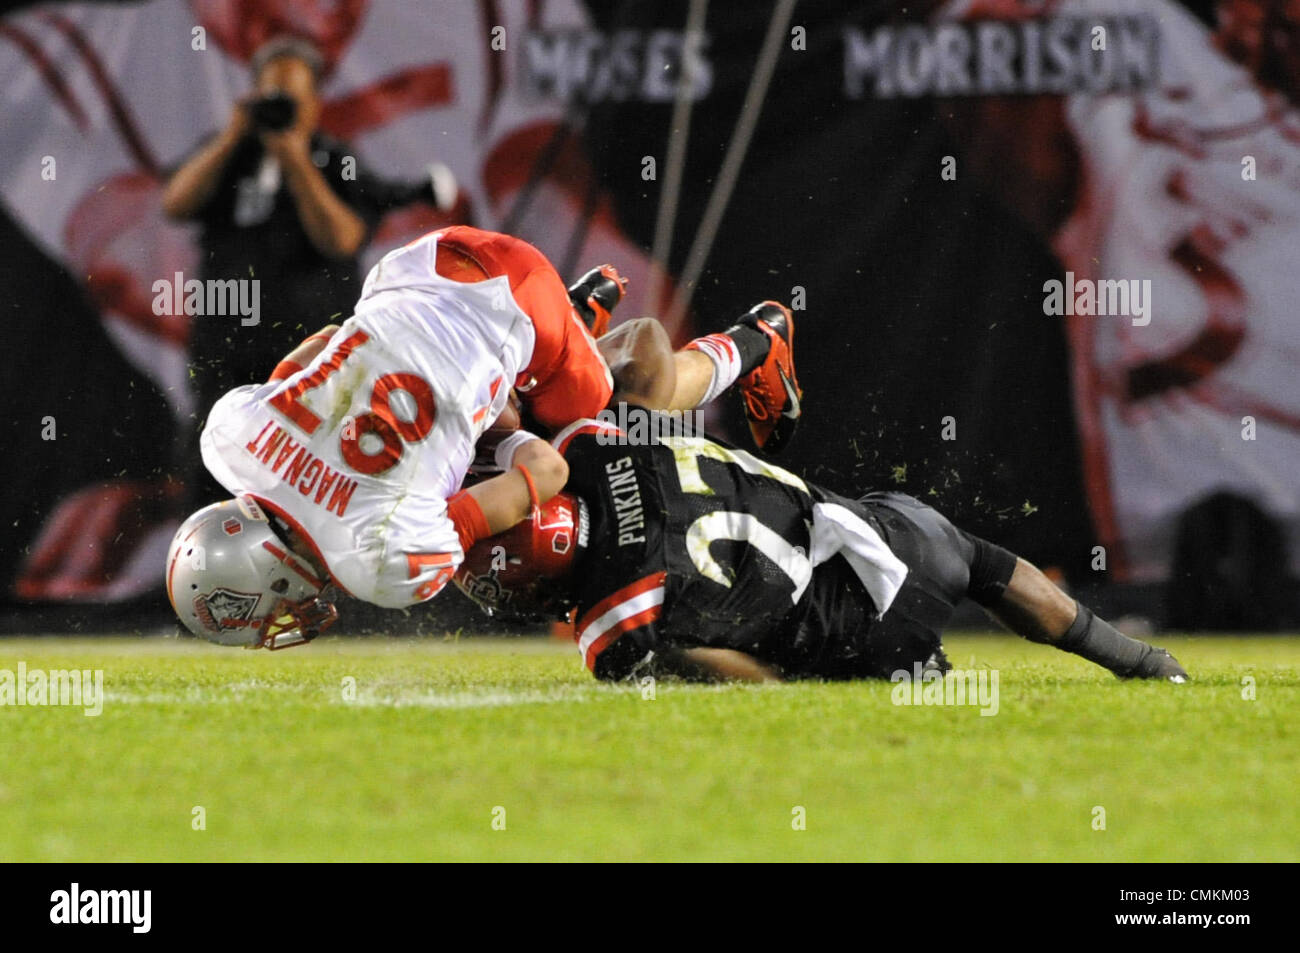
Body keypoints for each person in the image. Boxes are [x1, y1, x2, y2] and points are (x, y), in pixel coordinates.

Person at [165, 227, 803, 644]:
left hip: (517, 300)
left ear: (265, 573)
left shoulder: (380, 563)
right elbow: (322, 348)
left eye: (263, 612)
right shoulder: (229, 437)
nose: (282, 621)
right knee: (462, 447)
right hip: (420, 264)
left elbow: (545, 476)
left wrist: (504, 431)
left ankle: (753, 342)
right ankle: (553, 343)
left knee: (621, 402)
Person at [452, 413, 1189, 683]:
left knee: (684, 653)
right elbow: (636, 368)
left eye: (502, 579)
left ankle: (911, 668)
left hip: (853, 635)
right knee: (981, 562)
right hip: (885, 530)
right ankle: (1140, 660)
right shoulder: (593, 448)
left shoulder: (610, 620)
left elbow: (746, 679)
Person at [162, 36, 403, 505]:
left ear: (314, 103)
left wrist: (295, 161)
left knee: (306, 492)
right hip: (226, 354)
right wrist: (233, 135)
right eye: (271, 97)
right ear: (252, 97)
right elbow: (176, 201)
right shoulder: (226, 154)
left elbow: (343, 237)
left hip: (309, 362)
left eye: (291, 99)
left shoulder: (338, 161)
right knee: (213, 485)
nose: (280, 109)